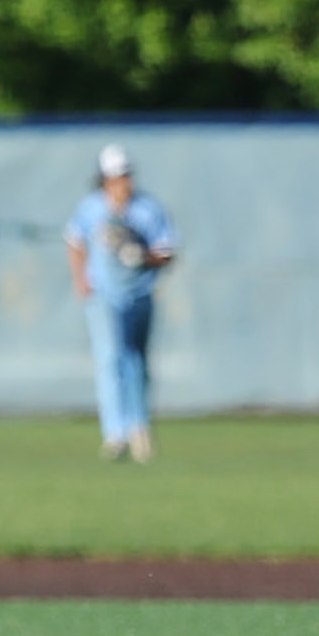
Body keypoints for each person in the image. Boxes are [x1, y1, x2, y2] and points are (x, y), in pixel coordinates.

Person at [64, 143, 178, 463]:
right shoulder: (90, 208)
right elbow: (74, 240)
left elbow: (167, 251)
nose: (121, 183)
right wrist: (81, 279)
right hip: (104, 295)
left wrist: (141, 256)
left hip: (139, 293)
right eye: (115, 177)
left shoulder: (148, 209)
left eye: (125, 175)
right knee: (110, 359)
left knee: (135, 361)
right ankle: (115, 433)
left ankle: (139, 427)